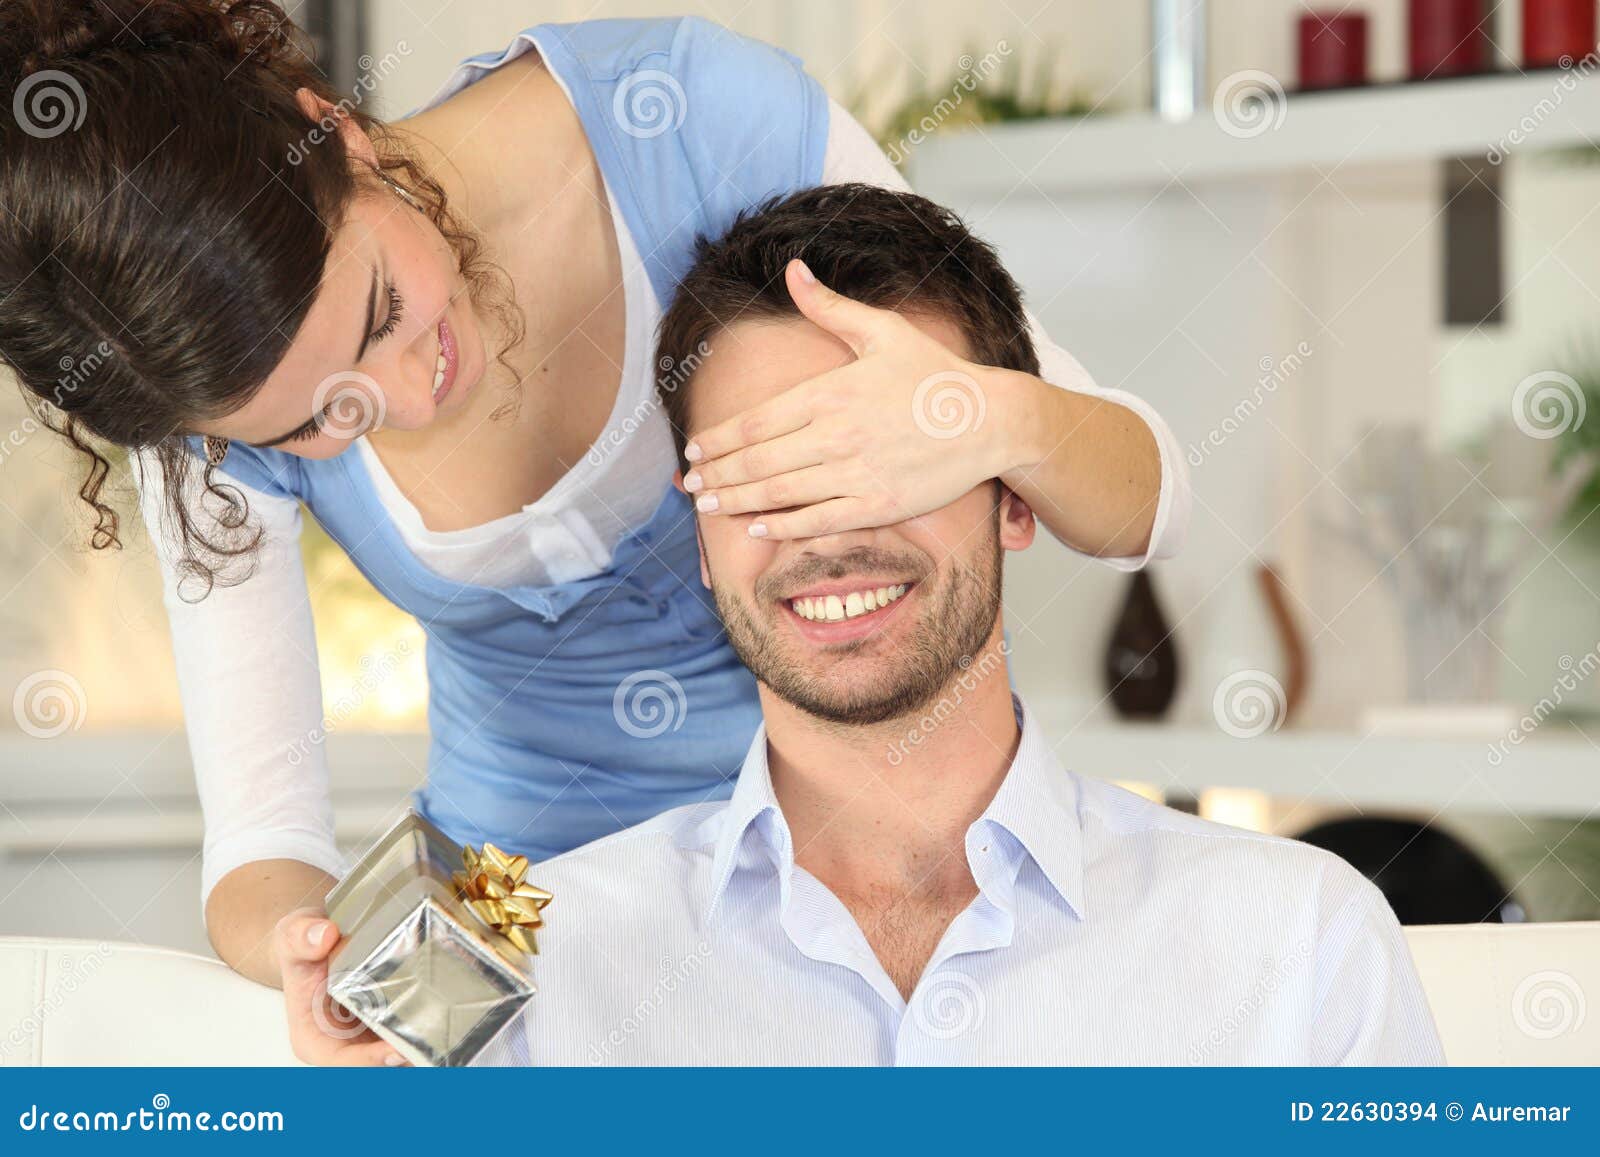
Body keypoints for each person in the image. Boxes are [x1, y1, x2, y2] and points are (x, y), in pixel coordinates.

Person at [0, 4, 1188, 1064]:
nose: (400, 398)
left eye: (380, 312)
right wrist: (332, 956)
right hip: (520, 922)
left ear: (339, 136)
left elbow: (1145, 499)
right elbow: (261, 846)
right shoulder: (196, 398)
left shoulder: (696, 126)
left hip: (870, 842)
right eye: (314, 420)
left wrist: (979, 415)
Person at [474, 184, 1444, 1065]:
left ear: (1016, 500)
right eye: (765, 478)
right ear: (699, 537)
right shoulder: (539, 967)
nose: (830, 531)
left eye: (892, 461)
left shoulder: (1298, 942)